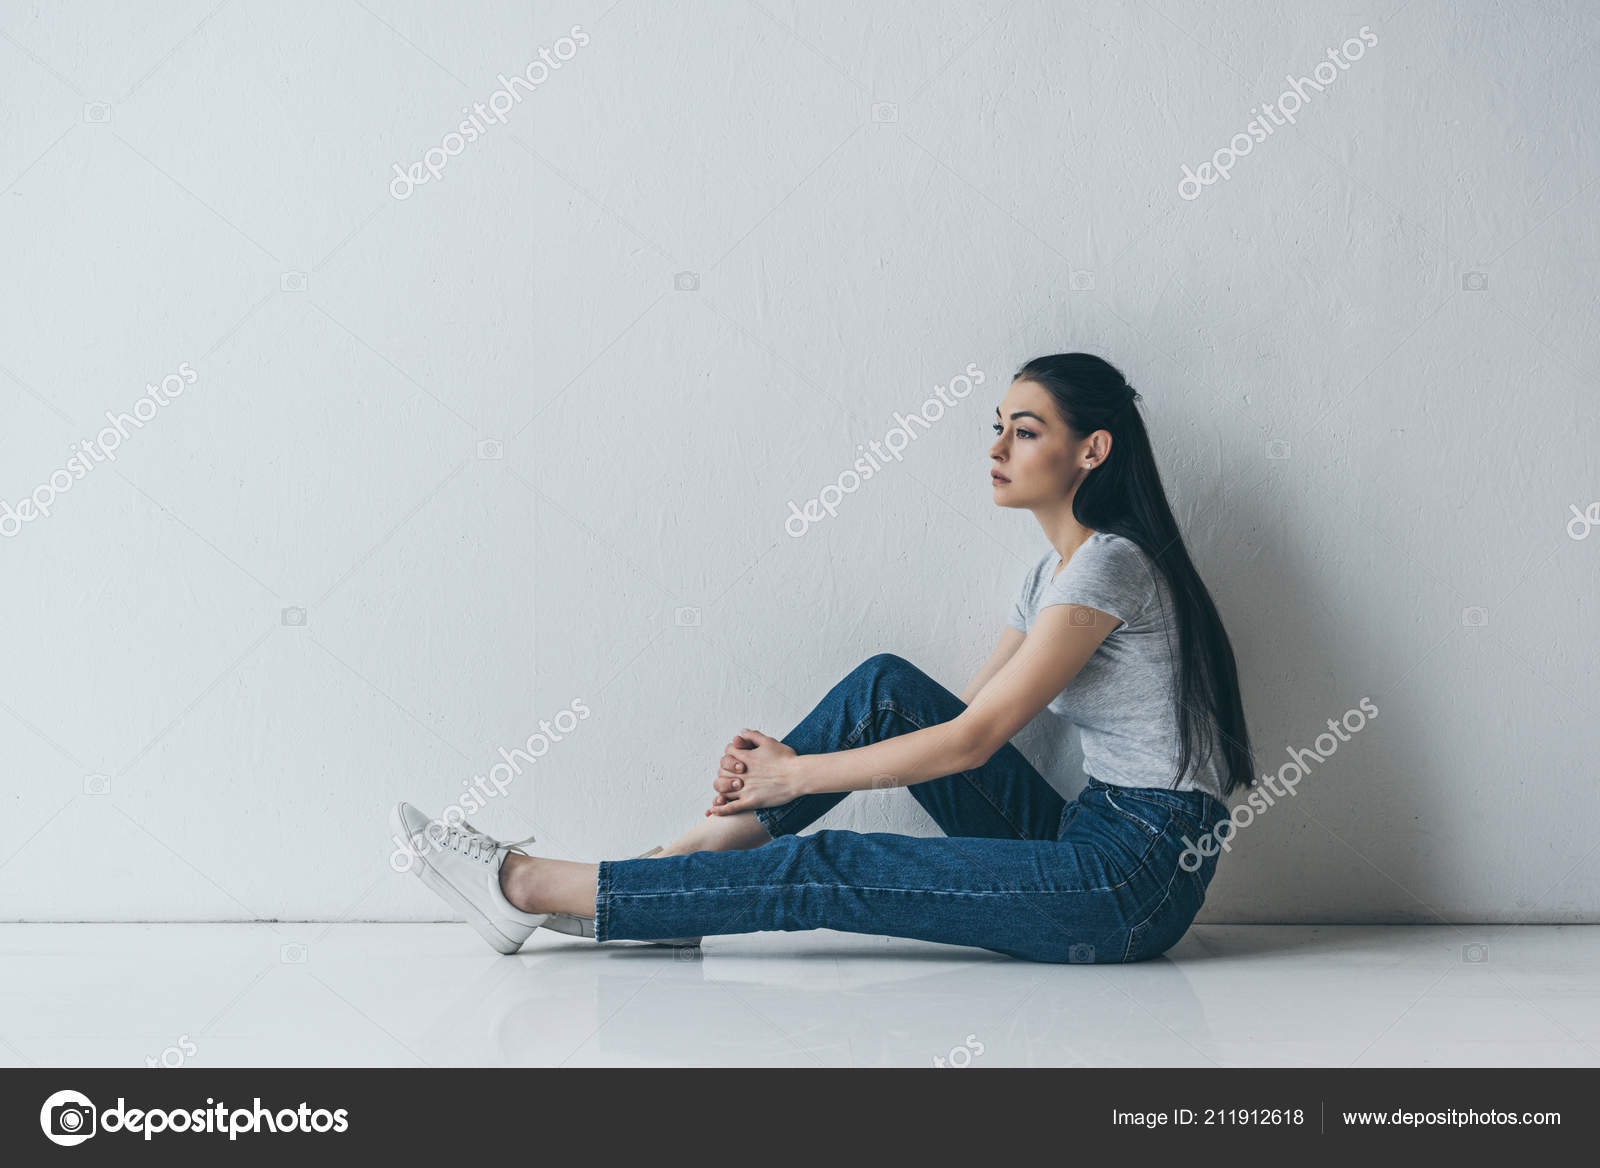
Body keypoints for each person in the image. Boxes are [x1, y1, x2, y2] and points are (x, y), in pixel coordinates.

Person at [390, 352, 1254, 963]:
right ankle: (679, 868)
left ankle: (528, 886)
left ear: (1091, 450)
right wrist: (790, 773)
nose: (995, 449)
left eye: (1025, 432)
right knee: (886, 688)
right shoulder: (1051, 575)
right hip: (1089, 835)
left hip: (1130, 882)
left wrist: (791, 779)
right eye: (997, 428)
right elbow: (951, 721)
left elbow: (973, 744)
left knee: (829, 866)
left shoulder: (1111, 561)